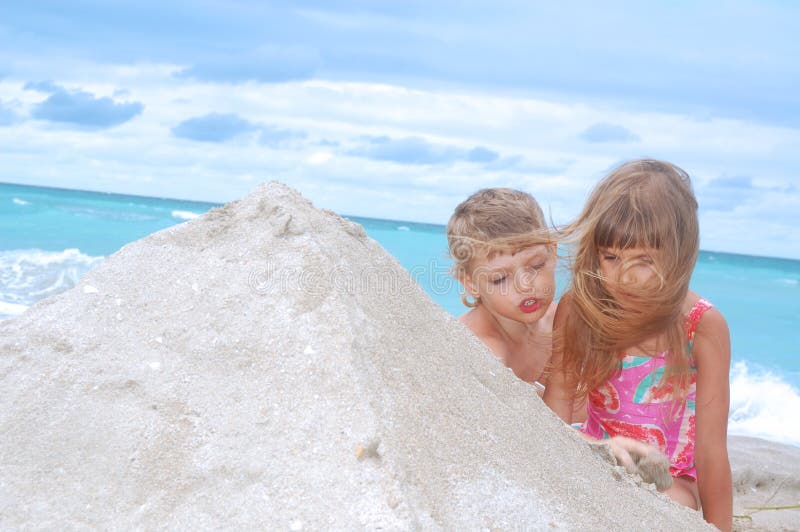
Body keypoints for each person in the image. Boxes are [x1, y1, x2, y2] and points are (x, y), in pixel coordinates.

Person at [543, 159, 732, 531]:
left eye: (644, 260)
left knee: (667, 502)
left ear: (677, 256)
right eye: (611, 257)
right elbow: (557, 404)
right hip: (596, 454)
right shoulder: (580, 309)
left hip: (669, 478)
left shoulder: (702, 327)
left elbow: (711, 451)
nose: (624, 277)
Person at [447, 188, 557, 394]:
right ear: (471, 284)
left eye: (536, 265)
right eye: (500, 279)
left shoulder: (560, 319)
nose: (524, 285)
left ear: (553, 252)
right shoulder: (482, 349)